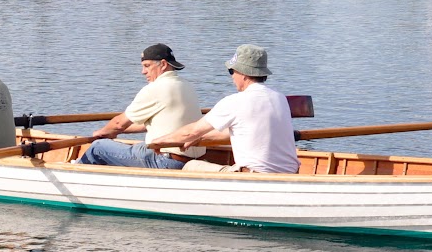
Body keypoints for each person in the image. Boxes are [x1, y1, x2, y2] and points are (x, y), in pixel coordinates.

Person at [146, 44, 300, 174]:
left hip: (253, 177)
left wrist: (159, 141)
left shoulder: (235, 101)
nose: (232, 77)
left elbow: (191, 131)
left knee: (190, 166)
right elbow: (240, 131)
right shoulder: (279, 98)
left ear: (244, 74)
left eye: (232, 71)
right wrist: (199, 139)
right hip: (291, 174)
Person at [74, 43, 203, 169]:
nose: (143, 72)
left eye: (147, 66)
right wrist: (116, 131)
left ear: (163, 64)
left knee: (98, 147)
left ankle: (74, 173)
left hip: (165, 161)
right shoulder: (186, 85)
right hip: (193, 158)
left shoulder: (155, 88)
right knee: (138, 146)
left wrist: (102, 132)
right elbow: (147, 124)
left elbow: (119, 123)